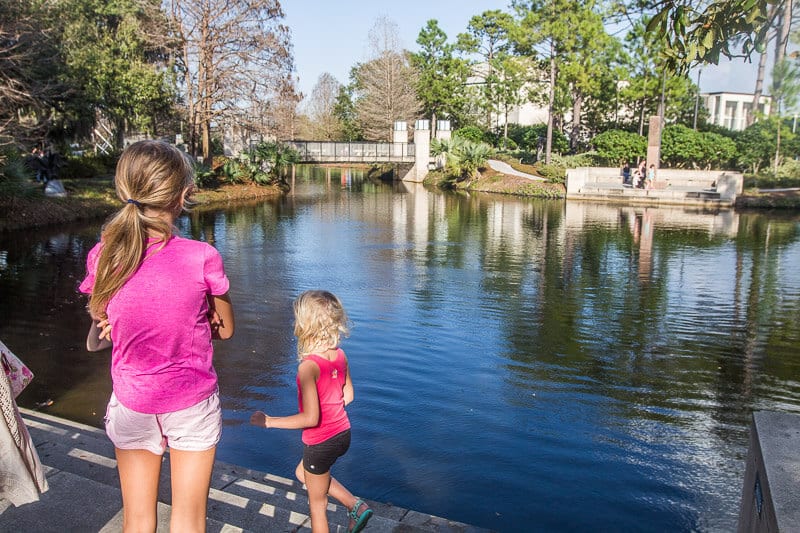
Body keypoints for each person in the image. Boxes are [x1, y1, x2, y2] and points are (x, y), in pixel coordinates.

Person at [79, 140, 235, 533]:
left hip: (133, 401)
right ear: (183, 195)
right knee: (188, 520)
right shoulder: (201, 255)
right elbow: (227, 329)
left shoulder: (103, 255)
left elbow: (101, 328)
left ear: (123, 190)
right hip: (191, 400)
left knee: (137, 518)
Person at [250, 290, 373, 533]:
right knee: (301, 471)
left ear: (304, 324)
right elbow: (348, 395)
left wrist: (269, 421)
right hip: (343, 434)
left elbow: (310, 418)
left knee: (317, 505)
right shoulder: (340, 355)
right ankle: (355, 505)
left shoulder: (308, 367)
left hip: (321, 441)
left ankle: (356, 506)